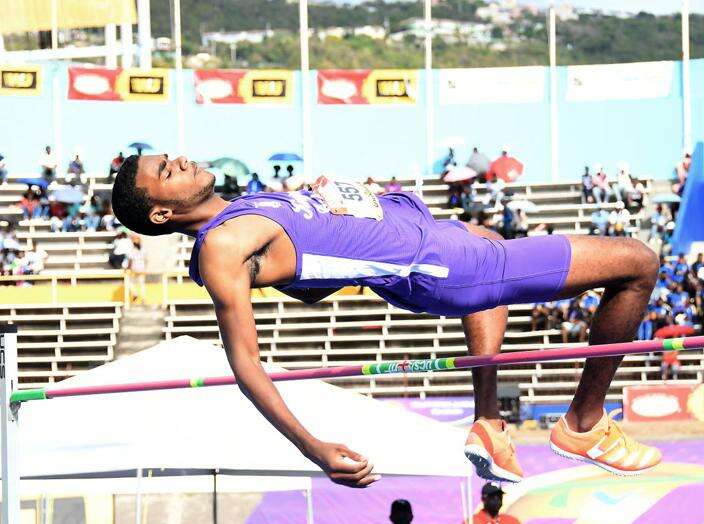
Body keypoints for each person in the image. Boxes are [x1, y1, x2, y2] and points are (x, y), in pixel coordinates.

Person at [111, 154, 661, 486]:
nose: (179, 160)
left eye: (170, 157)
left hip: (433, 234)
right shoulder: (222, 247)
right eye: (165, 170)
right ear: (161, 213)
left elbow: (310, 284)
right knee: (638, 263)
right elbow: (246, 364)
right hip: (444, 267)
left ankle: (489, 424)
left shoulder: (242, 211)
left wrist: (331, 203)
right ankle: (584, 425)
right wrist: (314, 447)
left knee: (490, 234)